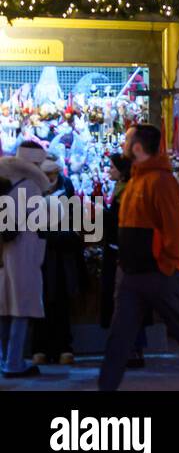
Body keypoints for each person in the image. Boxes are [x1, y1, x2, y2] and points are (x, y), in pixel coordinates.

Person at [99, 124, 179, 391]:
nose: (123, 145)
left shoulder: (160, 181)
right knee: (120, 337)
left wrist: (168, 266)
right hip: (135, 273)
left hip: (159, 273)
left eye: (127, 140)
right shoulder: (136, 180)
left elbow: (175, 230)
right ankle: (106, 387)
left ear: (138, 147)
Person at [0, 142, 52, 378]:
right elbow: (41, 222)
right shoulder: (31, 187)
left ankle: (5, 358)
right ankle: (14, 361)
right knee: (20, 307)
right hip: (22, 252)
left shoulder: (6, 184)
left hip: (5, 253)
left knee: (5, 307)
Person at [33, 155, 85, 366]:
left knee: (60, 303)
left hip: (61, 257)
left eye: (52, 174)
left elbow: (75, 225)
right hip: (42, 257)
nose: (49, 178)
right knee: (41, 302)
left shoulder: (67, 189)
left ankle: (62, 347)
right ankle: (41, 347)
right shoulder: (34, 190)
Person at [99, 153, 148, 370]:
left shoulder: (127, 192)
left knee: (126, 303)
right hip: (120, 254)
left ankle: (131, 348)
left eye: (112, 167)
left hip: (125, 256)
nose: (109, 170)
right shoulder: (121, 190)